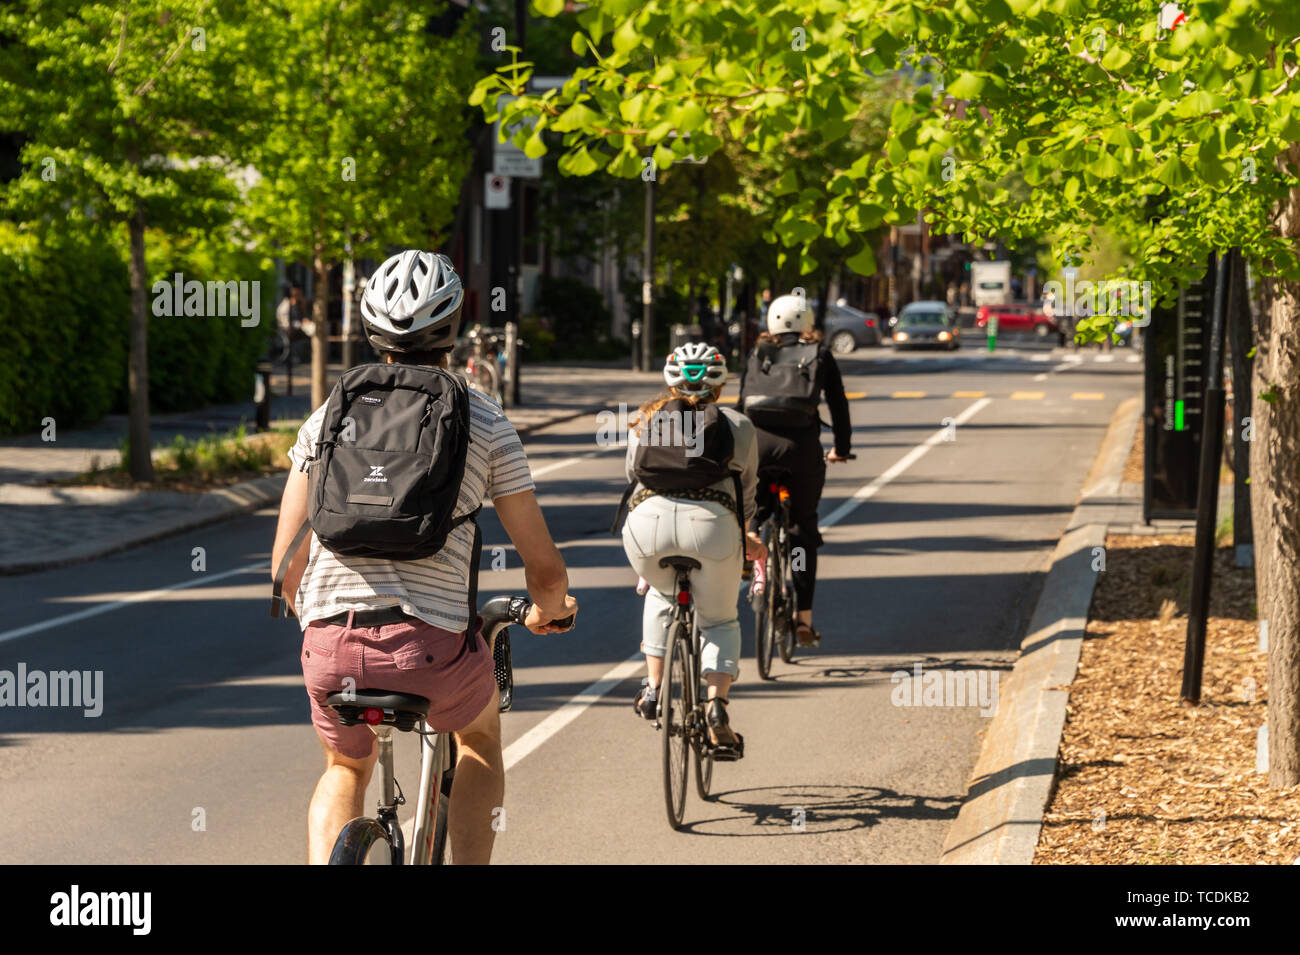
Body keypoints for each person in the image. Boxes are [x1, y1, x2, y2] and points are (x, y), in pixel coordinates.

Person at [270, 249, 577, 865]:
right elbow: (543, 568)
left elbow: (284, 567)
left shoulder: (326, 418)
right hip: (432, 646)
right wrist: (550, 609)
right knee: (480, 741)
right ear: (455, 328)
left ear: (370, 329)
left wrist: (320, 622)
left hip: (331, 649)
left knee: (344, 766)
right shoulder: (485, 421)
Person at [620, 343, 765, 754]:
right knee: (719, 619)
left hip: (646, 527)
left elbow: (632, 477)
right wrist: (747, 536)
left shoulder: (645, 421)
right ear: (720, 384)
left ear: (669, 381)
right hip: (713, 526)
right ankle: (717, 706)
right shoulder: (739, 426)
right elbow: (748, 492)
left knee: (662, 593)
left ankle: (652, 689)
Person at [737, 293, 853, 647]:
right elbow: (838, 406)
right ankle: (804, 619)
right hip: (801, 453)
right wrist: (842, 449)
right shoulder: (820, 355)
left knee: (754, 507)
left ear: (771, 323)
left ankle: (752, 542)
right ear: (807, 323)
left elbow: (742, 404)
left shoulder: (758, 353)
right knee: (801, 532)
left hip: (757, 447)